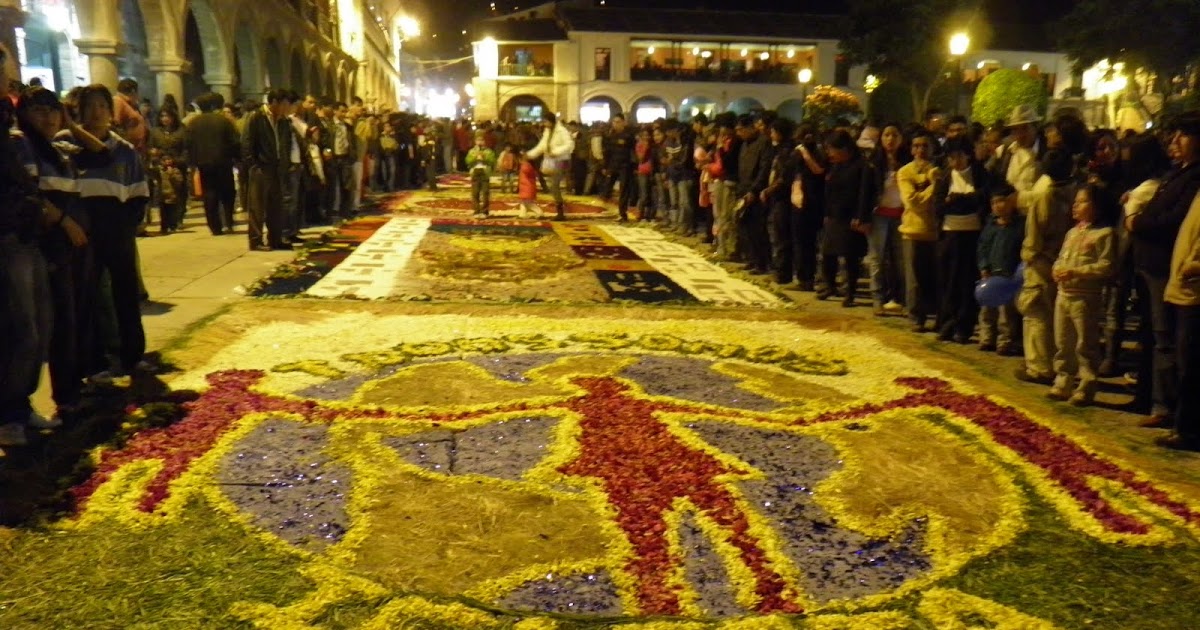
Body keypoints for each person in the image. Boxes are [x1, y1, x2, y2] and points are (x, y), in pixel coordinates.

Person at [11, 86, 104, 431]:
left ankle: (73, 389)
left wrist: (69, 123)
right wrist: (65, 222)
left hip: (72, 246)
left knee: (75, 315)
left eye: (53, 110)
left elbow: (100, 152)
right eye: (39, 110)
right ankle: (61, 398)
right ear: (23, 114)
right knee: (54, 323)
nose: (48, 118)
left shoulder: (58, 149)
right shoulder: (22, 144)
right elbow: (32, 195)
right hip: (49, 245)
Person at [60, 84, 150, 384]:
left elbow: (139, 191)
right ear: (80, 110)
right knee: (88, 295)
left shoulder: (124, 150)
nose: (96, 112)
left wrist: (129, 223)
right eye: (90, 106)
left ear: (110, 112)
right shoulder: (66, 143)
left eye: (102, 106)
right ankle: (94, 361)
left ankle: (132, 355)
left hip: (116, 228)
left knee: (126, 293)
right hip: (82, 231)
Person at [1125, 113, 1200, 426]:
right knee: (1151, 335)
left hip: (1167, 265)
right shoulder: (1177, 173)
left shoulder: (1194, 177)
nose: (1175, 141)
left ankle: (1165, 405)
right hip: (1149, 262)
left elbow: (1171, 219)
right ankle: (1148, 395)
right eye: (1174, 135)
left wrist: (1138, 222)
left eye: (1183, 135)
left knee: (1165, 337)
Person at [1048, 185, 1117, 406]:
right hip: (1063, 294)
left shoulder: (1105, 234)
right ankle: (1063, 380)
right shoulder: (1071, 233)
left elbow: (1106, 266)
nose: (1075, 206)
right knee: (1062, 341)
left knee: (1085, 344)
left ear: (1097, 206)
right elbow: (1061, 257)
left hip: (1085, 297)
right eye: (1075, 202)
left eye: (1082, 201)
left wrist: (1076, 272)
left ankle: (1086, 385)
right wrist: (1056, 269)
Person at [934, 136, 989, 344]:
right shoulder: (946, 177)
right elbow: (939, 206)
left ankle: (964, 327)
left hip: (972, 233)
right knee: (948, 281)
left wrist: (962, 200)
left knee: (967, 281)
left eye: (958, 157)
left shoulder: (980, 175)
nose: (955, 162)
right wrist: (954, 202)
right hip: (949, 233)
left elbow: (983, 199)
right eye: (951, 158)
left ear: (968, 155)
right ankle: (947, 323)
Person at [818, 130, 877, 307]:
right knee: (828, 253)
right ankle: (829, 286)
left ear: (844, 148)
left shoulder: (862, 166)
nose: (829, 153)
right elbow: (829, 191)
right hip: (834, 215)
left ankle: (850, 293)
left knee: (851, 256)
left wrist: (860, 216)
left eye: (832, 149)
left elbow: (865, 193)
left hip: (851, 217)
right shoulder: (836, 166)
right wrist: (827, 213)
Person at [897, 132, 941, 333]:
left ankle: (936, 314)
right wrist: (934, 186)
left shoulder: (938, 170)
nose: (921, 150)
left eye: (925, 146)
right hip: (913, 231)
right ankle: (916, 317)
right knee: (914, 279)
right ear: (911, 149)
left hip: (936, 231)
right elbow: (913, 202)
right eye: (917, 146)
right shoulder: (905, 172)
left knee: (934, 277)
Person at [241, 89, 294, 251]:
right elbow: (247, 143)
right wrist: (253, 165)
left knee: (276, 205)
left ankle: (275, 239)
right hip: (261, 167)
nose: (286, 108)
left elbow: (286, 143)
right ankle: (256, 240)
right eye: (284, 104)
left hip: (277, 167)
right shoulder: (257, 117)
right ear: (274, 102)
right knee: (257, 206)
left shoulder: (283, 121)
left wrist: (286, 163)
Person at [977, 182, 1025, 354]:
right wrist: (984, 267)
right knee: (987, 309)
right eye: (994, 203)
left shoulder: (1019, 226)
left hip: (1009, 275)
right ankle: (986, 337)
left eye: (1001, 201)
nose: (997, 206)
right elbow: (983, 248)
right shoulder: (990, 227)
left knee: (1006, 312)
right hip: (990, 274)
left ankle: (1005, 341)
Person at [186, 92, 240, 235]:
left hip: (204, 163)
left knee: (209, 193)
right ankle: (228, 221)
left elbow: (189, 144)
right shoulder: (223, 121)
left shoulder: (193, 123)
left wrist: (193, 162)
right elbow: (234, 142)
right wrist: (236, 158)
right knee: (227, 193)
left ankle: (214, 226)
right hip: (223, 162)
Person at [525, 110, 574, 221]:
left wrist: (556, 152)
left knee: (554, 185)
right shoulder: (547, 131)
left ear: (551, 121)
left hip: (562, 160)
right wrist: (530, 154)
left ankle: (560, 211)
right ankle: (560, 209)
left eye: (545, 122)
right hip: (552, 161)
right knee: (553, 185)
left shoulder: (562, 131)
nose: (544, 124)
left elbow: (569, 144)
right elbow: (542, 146)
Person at [148, 107, 189, 233]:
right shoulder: (155, 132)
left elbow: (186, 149)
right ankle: (165, 223)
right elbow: (151, 148)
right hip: (161, 168)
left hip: (177, 166)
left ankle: (177, 220)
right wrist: (157, 157)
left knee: (179, 194)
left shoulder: (181, 131)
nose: (165, 119)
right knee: (163, 196)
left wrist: (177, 161)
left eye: (167, 116)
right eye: (162, 116)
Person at [466, 131, 497, 218]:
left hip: (485, 173)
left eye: (482, 140)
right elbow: (467, 161)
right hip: (475, 172)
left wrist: (484, 158)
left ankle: (485, 211)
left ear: (484, 141)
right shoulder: (472, 151)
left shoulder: (488, 151)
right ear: (475, 141)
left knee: (485, 193)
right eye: (478, 140)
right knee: (475, 193)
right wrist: (475, 158)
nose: (480, 142)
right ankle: (476, 211)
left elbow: (492, 161)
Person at [517, 149, 542, 219]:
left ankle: (540, 212)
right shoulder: (527, 165)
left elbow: (526, 171)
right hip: (525, 187)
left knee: (528, 203)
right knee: (523, 202)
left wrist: (523, 162)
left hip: (527, 187)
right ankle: (522, 214)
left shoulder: (526, 165)